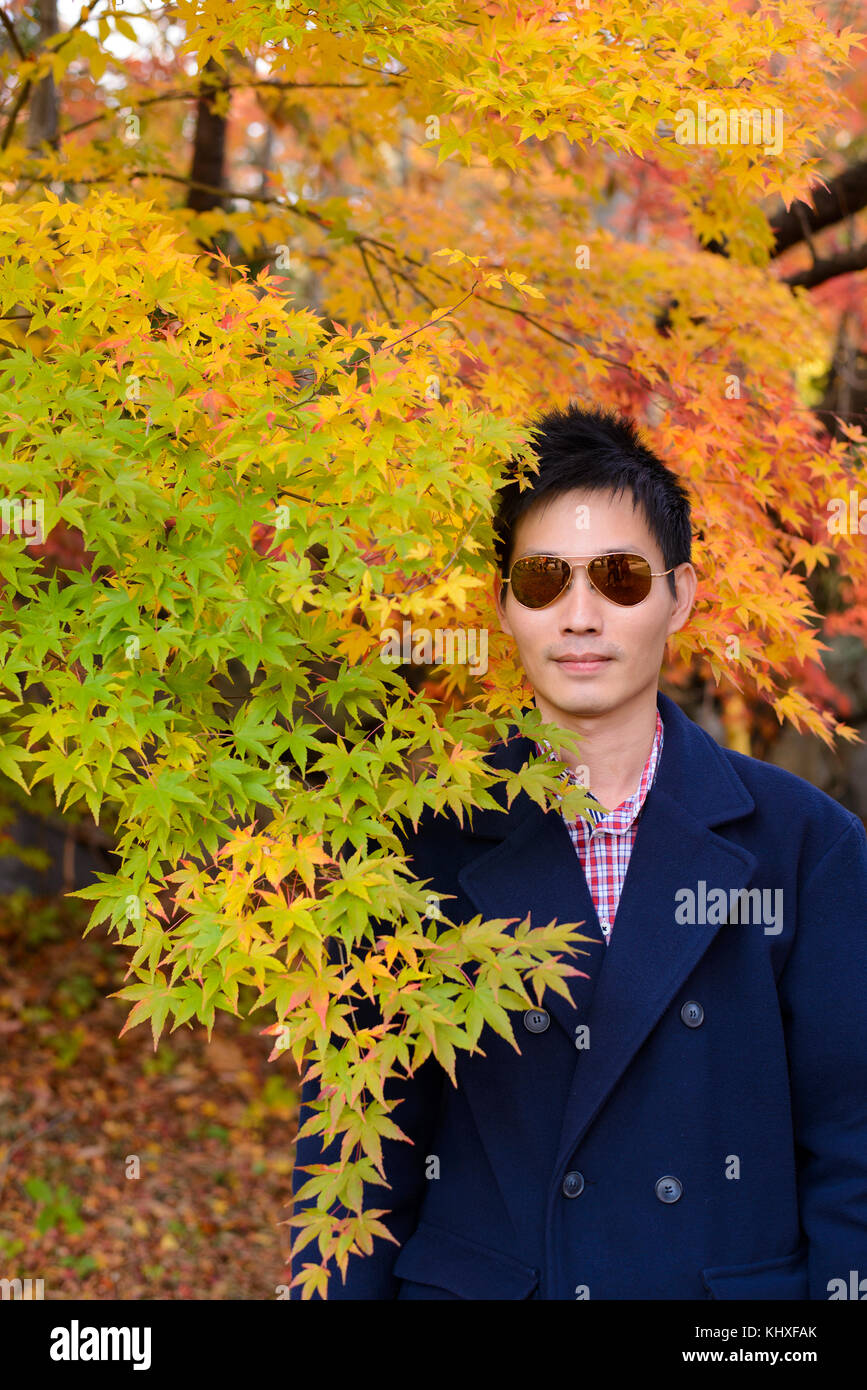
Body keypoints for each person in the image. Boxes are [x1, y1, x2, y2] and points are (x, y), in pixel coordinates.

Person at [289, 403, 867, 1300]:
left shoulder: (802, 846)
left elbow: (852, 1151)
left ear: (680, 595)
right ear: (503, 605)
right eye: (544, 578)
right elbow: (354, 1155)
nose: (581, 615)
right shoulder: (411, 848)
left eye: (621, 579)